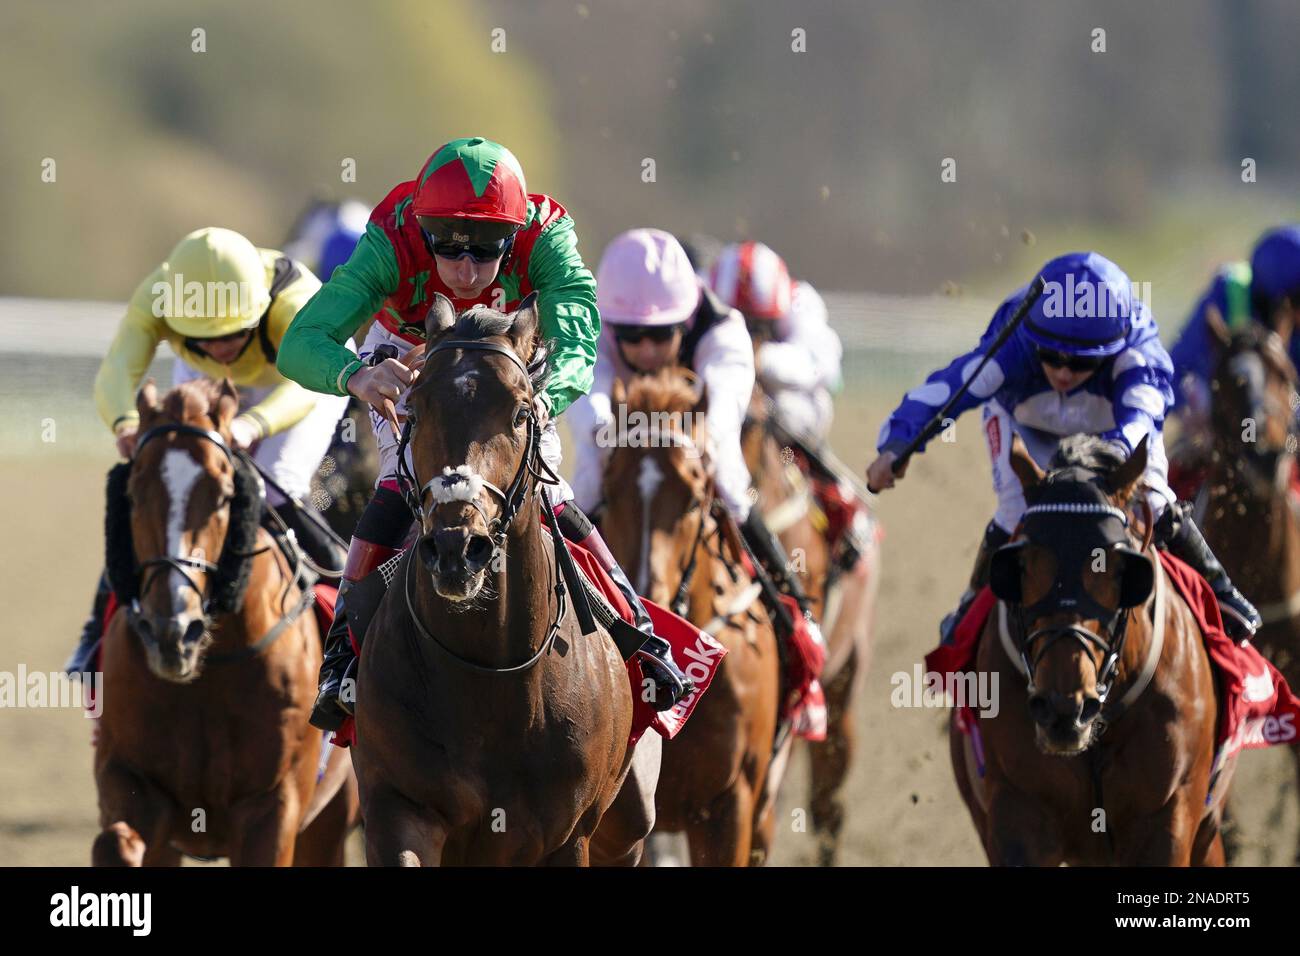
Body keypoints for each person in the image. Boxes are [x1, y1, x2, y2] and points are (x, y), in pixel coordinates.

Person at [275, 137, 693, 731]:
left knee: (543, 484)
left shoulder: (547, 235)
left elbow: (577, 341)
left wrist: (545, 400)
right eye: (447, 247)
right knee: (410, 482)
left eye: (487, 250)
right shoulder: (391, 238)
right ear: (423, 230)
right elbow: (301, 340)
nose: (466, 271)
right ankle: (344, 649)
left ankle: (639, 634)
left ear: (515, 232)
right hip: (411, 353)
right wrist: (356, 373)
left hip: (509, 359)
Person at [865, 251, 1261, 641]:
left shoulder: (1140, 355)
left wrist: (1106, 471)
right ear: (1033, 342)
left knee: (1155, 497)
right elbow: (951, 390)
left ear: (1112, 352)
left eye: (1081, 363)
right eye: (1050, 357)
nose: (1063, 372)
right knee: (1016, 507)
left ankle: (1222, 592)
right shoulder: (1013, 342)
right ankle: (972, 605)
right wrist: (897, 444)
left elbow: (1139, 424)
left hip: (1115, 430)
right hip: (1024, 421)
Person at [67, 227, 350, 675]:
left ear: (256, 312)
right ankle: (94, 634)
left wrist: (251, 424)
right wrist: (125, 423)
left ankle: (347, 626)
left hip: (304, 377)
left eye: (234, 334)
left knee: (275, 484)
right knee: (162, 484)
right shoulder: (159, 294)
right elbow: (119, 365)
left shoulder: (293, 301)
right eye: (204, 337)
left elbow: (303, 387)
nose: (219, 348)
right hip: (217, 389)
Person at [567, 228, 825, 647]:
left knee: (731, 484)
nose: (647, 349)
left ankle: (798, 620)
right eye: (632, 337)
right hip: (625, 425)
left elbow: (721, 416)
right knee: (588, 480)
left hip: (694, 431)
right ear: (613, 326)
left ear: (685, 321)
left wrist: (699, 441)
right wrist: (612, 432)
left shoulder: (723, 331)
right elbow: (589, 404)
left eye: (662, 334)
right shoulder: (595, 330)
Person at [1168, 224, 1300, 451]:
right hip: (1218, 435)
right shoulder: (1228, 295)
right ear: (1276, 301)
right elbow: (1178, 371)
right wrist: (1199, 401)